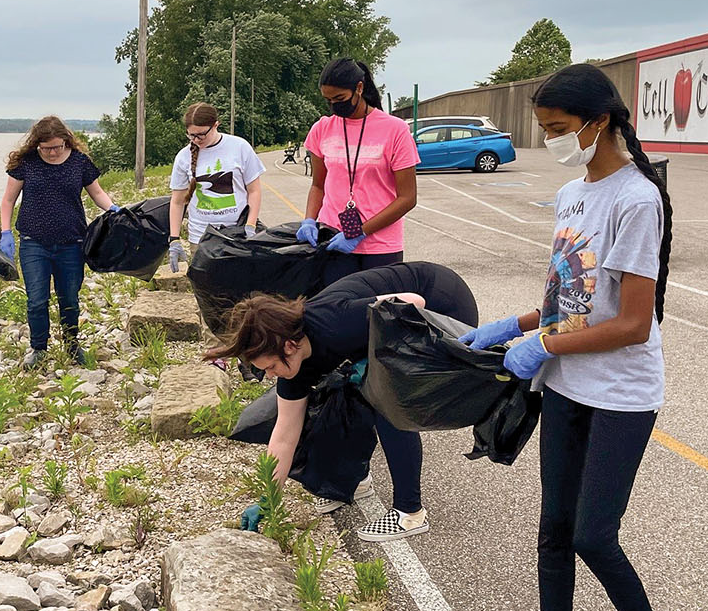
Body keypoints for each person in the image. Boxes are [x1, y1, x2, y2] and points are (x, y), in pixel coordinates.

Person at [460, 63, 677, 611]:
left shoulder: (636, 199)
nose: (552, 139)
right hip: (566, 387)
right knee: (553, 532)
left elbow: (633, 321)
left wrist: (547, 344)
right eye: (545, 129)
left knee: (592, 534)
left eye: (558, 129)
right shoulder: (570, 195)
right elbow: (567, 298)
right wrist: (517, 327)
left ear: (599, 120)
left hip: (620, 394)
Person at [206, 263, 478, 540]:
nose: (270, 375)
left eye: (271, 367)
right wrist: (267, 499)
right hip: (395, 323)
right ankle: (355, 480)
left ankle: (409, 514)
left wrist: (375, 366)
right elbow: (285, 434)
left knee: (386, 400)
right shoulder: (294, 364)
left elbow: (413, 302)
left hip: (444, 304)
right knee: (335, 400)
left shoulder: (337, 322)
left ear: (289, 346)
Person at [0, 116, 118, 370]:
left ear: (66, 141)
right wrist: (6, 232)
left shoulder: (79, 162)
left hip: (72, 242)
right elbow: (8, 200)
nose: (53, 152)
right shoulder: (26, 163)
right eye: (47, 148)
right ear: (37, 145)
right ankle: (38, 348)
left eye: (57, 147)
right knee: (36, 299)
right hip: (34, 242)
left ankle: (72, 343)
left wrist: (113, 209)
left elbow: (96, 192)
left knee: (70, 298)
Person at [299, 57, 419, 270]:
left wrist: (360, 231)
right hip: (333, 242)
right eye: (329, 101)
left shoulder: (395, 130)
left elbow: (407, 198)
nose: (335, 105)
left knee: (377, 303)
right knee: (333, 303)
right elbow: (318, 185)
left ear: (359, 88)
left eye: (340, 98)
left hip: (380, 247)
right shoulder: (322, 129)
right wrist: (309, 219)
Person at [167, 102, 265, 272]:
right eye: (191, 136)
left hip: (237, 235)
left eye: (201, 135)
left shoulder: (239, 147)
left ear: (215, 125)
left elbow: (254, 191)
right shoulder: (183, 157)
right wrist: (174, 239)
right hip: (201, 239)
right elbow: (177, 202)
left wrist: (250, 226)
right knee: (207, 293)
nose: (196, 140)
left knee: (241, 292)